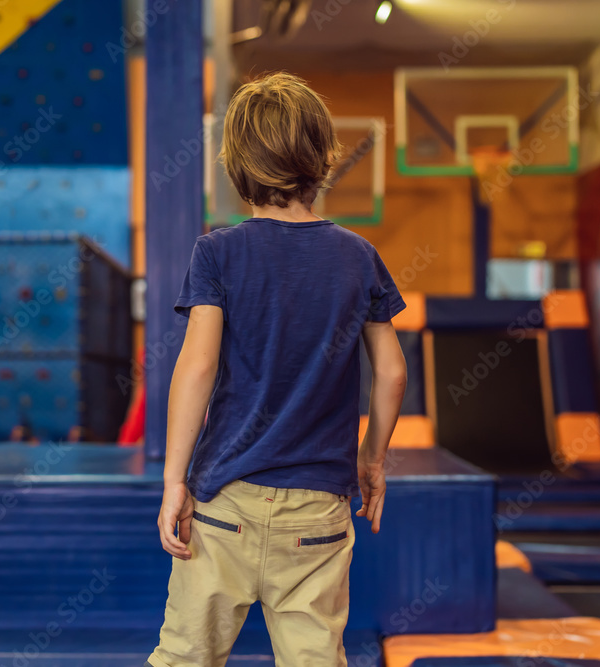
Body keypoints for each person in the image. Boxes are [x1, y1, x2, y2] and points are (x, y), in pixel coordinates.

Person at [147, 72, 407, 667]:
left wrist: (174, 481)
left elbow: (197, 367)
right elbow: (391, 372)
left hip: (227, 501)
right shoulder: (359, 257)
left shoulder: (217, 252)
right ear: (322, 159)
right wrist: (372, 460)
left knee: (186, 653)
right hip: (318, 508)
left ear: (238, 165)